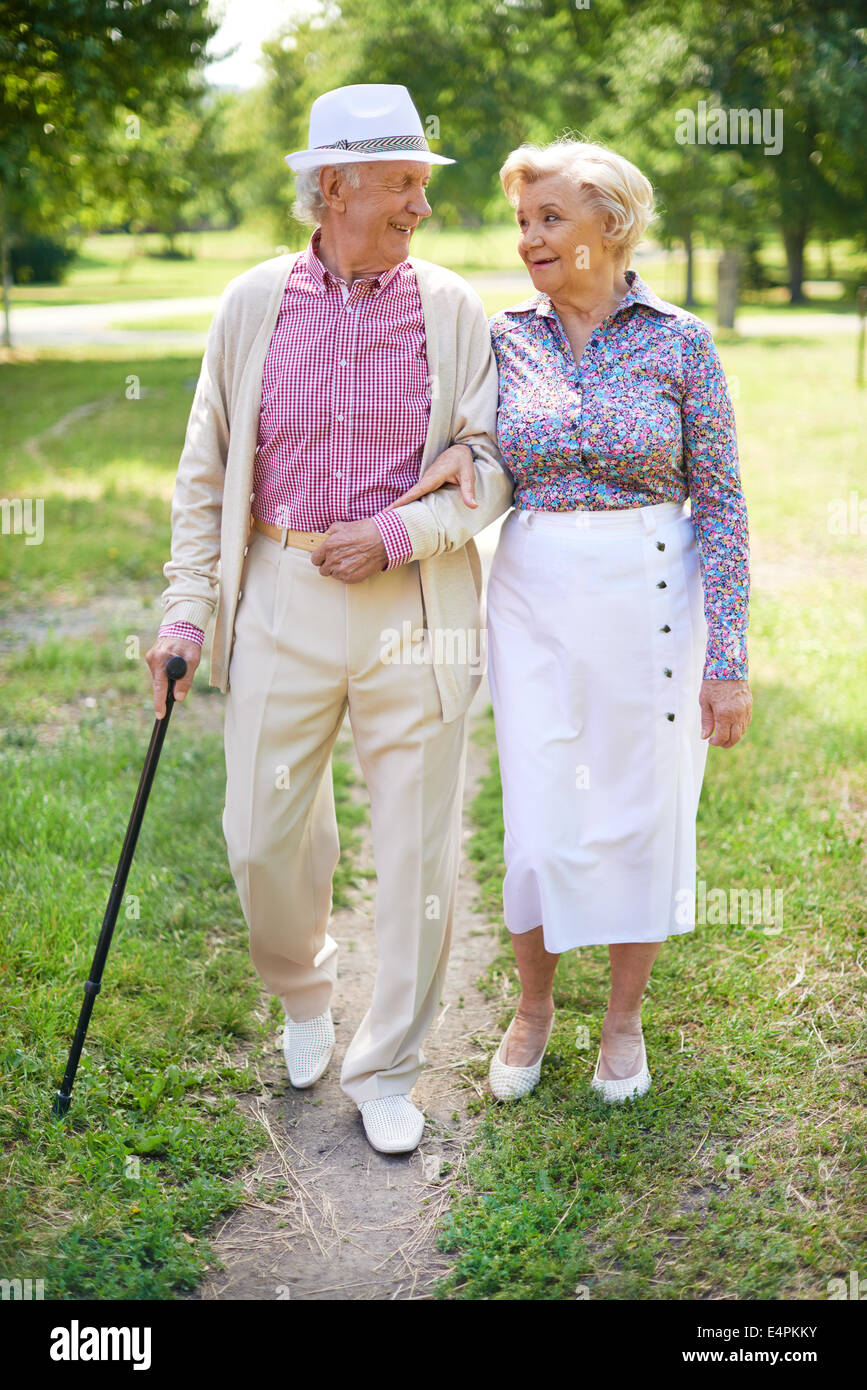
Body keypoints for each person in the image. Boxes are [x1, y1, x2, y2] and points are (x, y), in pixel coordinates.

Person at [145, 84, 513, 1154]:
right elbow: (204, 471)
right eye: (403, 182)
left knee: (418, 851)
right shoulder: (252, 303)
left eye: (422, 183)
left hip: (416, 604)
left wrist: (400, 535)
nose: (420, 206)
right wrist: (183, 613)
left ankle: (390, 1064)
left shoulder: (451, 308)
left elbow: (491, 470)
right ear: (335, 183)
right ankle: (305, 989)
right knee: (260, 839)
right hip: (282, 591)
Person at [481, 138, 752, 1103]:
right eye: (522, 222)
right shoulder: (499, 335)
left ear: (613, 223)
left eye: (549, 217)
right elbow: (474, 457)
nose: (529, 239)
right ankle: (533, 1008)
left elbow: (719, 502)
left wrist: (728, 657)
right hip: (533, 602)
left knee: (642, 816)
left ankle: (623, 1021)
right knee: (542, 819)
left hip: (654, 606)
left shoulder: (679, 341)